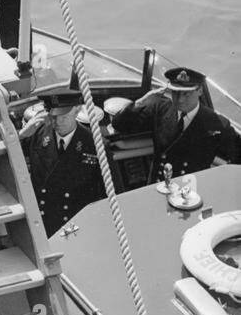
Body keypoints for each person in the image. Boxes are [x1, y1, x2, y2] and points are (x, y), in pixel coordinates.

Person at [110, 67, 240, 178]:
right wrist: (141, 102)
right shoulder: (160, 109)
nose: (180, 100)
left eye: (186, 94)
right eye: (176, 92)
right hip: (157, 186)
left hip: (193, 192)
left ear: (200, 91)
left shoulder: (216, 124)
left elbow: (236, 156)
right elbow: (119, 125)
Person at [18, 86, 105, 235]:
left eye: (64, 116)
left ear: (77, 110)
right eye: (53, 116)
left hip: (77, 226)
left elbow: (110, 193)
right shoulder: (36, 134)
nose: (57, 122)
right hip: (42, 224)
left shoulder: (95, 144)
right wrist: (22, 134)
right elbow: (8, 161)